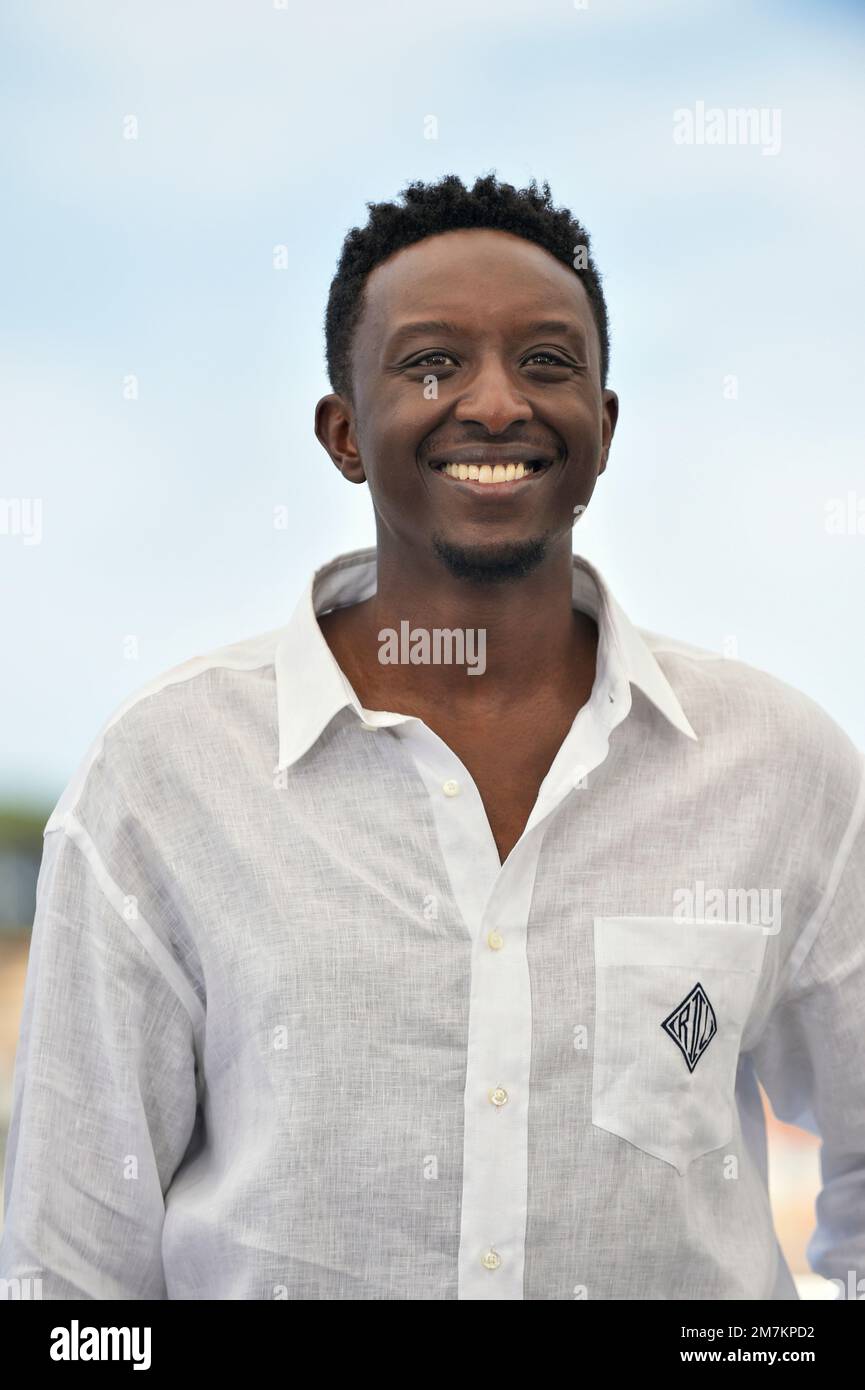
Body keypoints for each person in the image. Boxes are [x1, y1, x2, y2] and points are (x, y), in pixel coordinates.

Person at [1, 173, 863, 1300]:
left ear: (602, 430)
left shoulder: (779, 770)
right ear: (345, 433)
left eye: (547, 361)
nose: (497, 403)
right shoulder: (166, 778)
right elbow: (69, 1273)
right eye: (430, 363)